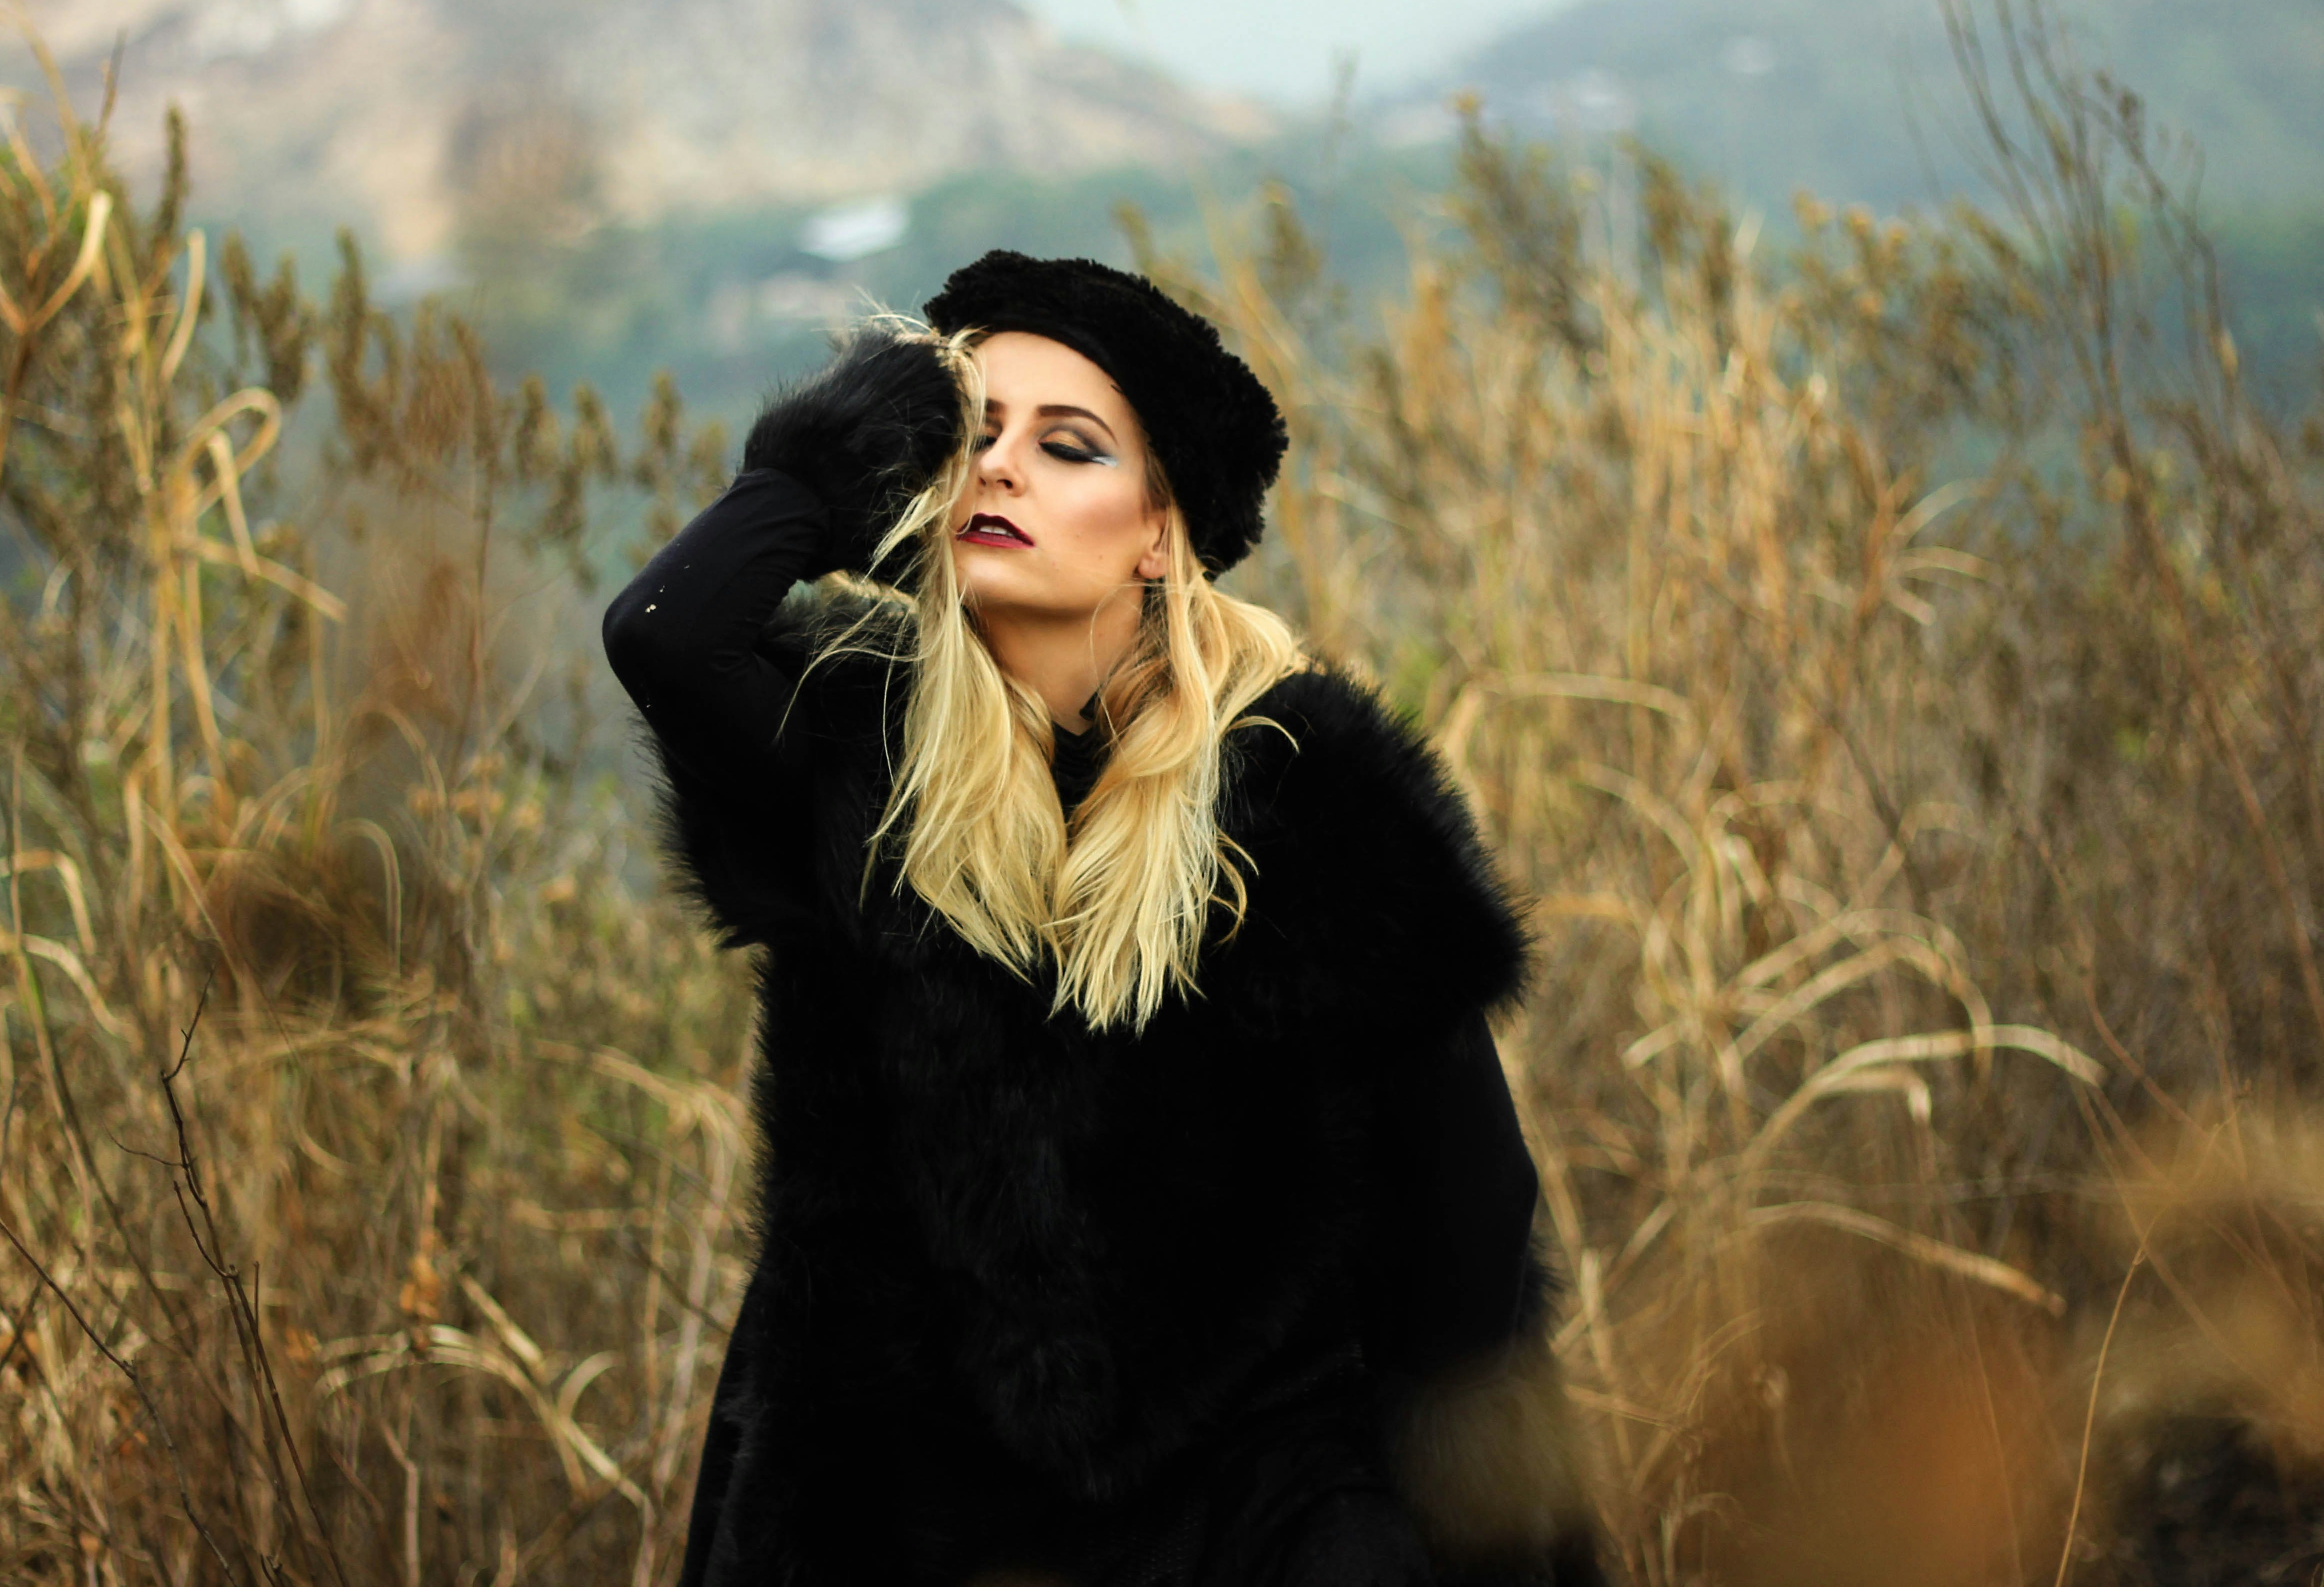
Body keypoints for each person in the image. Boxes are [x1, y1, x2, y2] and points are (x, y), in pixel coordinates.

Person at [603, 251, 1602, 1586]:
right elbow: (668, 633)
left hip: (1264, 1535)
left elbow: (1468, 1244)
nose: (1000, 467)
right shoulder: (865, 772)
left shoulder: (1307, 812)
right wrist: (831, 463)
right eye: (975, 437)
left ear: (1157, 529)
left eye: (1066, 446)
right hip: (932, 1541)